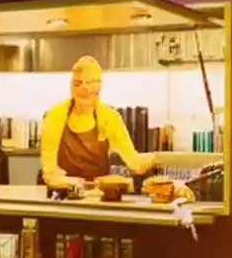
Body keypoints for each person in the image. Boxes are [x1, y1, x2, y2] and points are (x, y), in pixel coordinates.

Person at [39, 56, 155, 184]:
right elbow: (49, 170)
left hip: (96, 194)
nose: (84, 88)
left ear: (99, 86)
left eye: (90, 83)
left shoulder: (109, 117)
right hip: (62, 194)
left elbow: (134, 163)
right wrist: (67, 182)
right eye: (77, 83)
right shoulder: (55, 115)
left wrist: (157, 159)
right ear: (71, 86)